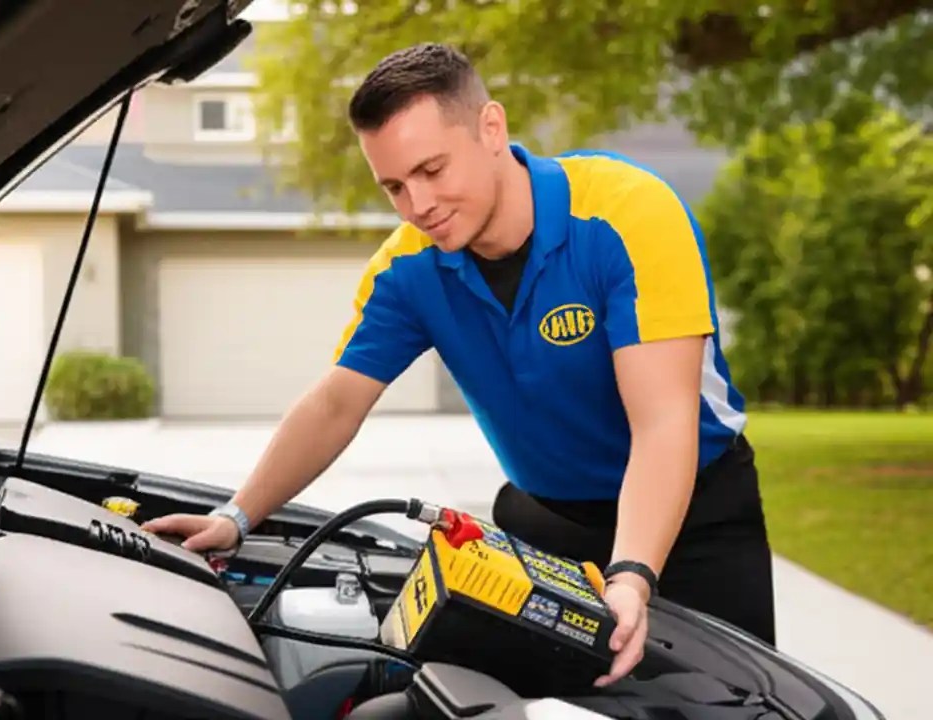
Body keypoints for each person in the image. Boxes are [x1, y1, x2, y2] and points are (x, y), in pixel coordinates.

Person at [142, 42, 776, 687]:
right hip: (545, 527)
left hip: (695, 517)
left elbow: (664, 422)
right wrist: (236, 517)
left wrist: (633, 575)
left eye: (432, 169)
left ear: (490, 129)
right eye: (394, 186)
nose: (419, 204)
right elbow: (336, 404)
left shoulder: (627, 214)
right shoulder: (406, 270)